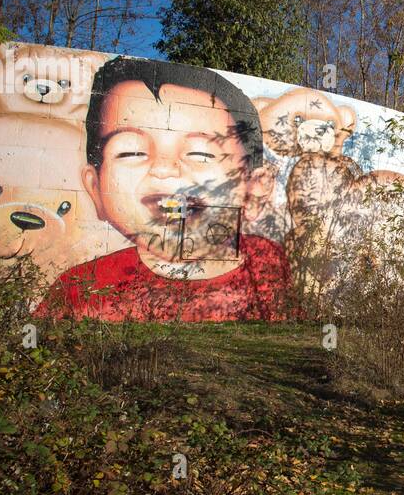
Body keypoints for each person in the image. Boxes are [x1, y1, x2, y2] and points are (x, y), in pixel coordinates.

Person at [36, 58, 289, 322]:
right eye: (131, 151)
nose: (165, 168)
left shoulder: (271, 266)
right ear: (95, 187)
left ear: (254, 190)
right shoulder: (80, 288)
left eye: (201, 153)